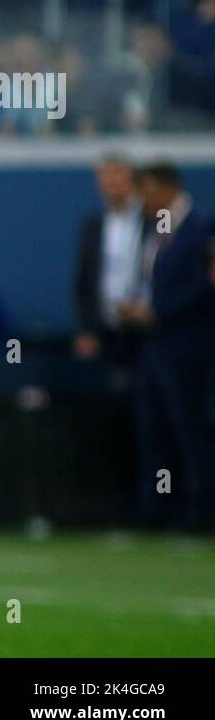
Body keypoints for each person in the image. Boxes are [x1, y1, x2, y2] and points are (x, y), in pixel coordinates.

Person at [122, 162, 214, 530]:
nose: (141, 201)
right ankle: (157, 510)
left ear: (164, 188)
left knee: (190, 429)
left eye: (145, 191)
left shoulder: (202, 226)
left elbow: (205, 287)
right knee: (153, 429)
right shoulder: (153, 227)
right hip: (153, 346)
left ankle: (201, 510)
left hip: (190, 345)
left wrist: (158, 311)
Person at [73, 156, 144, 378]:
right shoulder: (92, 227)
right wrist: (87, 329)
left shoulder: (149, 222)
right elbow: (83, 282)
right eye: (107, 178)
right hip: (105, 330)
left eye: (118, 177)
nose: (113, 184)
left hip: (144, 329)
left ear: (132, 181)